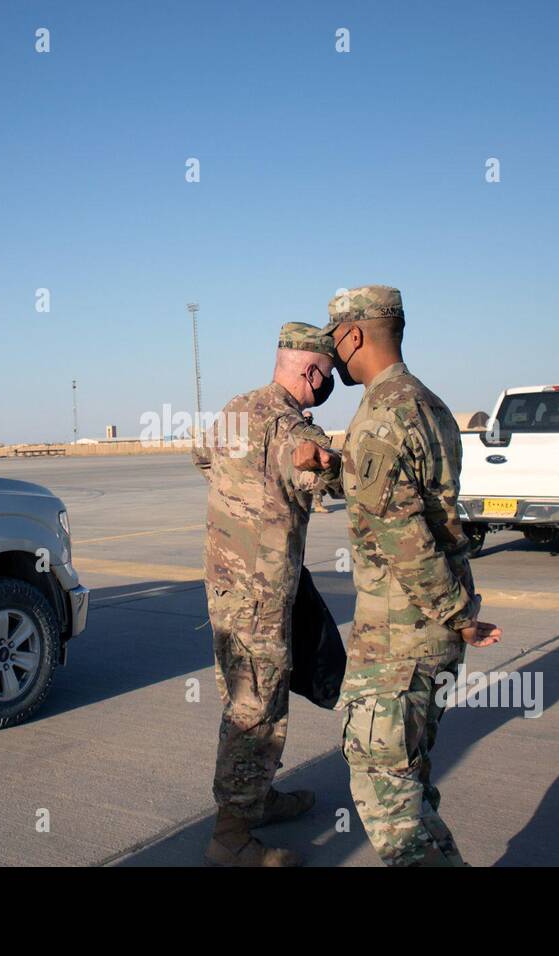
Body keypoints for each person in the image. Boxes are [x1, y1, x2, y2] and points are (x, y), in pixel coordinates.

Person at [321, 285, 502, 866]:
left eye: (335, 341)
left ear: (352, 336)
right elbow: (418, 503)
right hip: (432, 640)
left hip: (401, 639)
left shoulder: (379, 416)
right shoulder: (428, 404)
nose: (334, 356)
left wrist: (456, 614)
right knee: (411, 779)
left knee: (386, 798)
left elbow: (404, 538)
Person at [192, 321, 343, 866]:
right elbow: (328, 479)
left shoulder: (235, 409)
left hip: (226, 588)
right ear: (309, 371)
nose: (328, 387)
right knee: (257, 707)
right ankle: (231, 838)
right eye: (327, 377)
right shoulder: (293, 431)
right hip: (262, 596)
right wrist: (325, 464)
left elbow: (202, 458)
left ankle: (256, 798)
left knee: (243, 694)